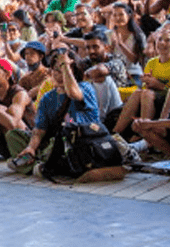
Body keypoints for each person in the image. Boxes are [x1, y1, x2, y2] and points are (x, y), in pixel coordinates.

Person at [6, 48, 100, 176]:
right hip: (52, 142)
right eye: (56, 70)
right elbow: (40, 130)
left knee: (60, 142)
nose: (58, 74)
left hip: (80, 141)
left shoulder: (85, 87)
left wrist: (65, 64)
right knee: (13, 135)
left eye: (63, 71)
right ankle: (41, 163)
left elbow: (73, 93)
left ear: (74, 71)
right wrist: (31, 148)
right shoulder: (48, 97)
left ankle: (41, 165)